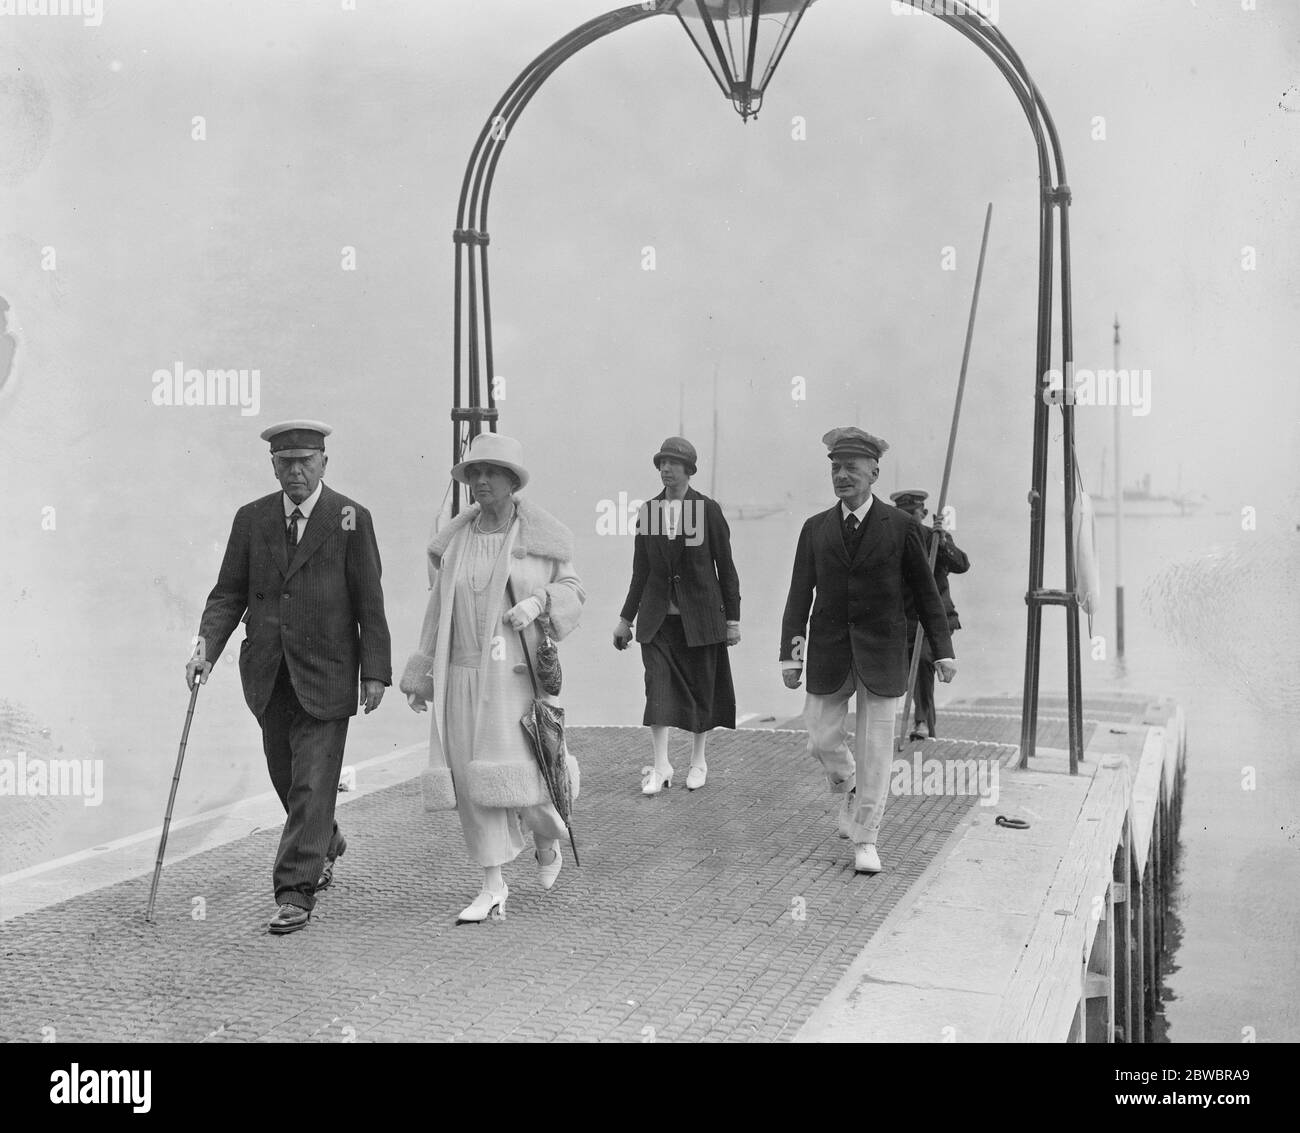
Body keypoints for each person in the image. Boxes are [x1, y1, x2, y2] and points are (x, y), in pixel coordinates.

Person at [187, 420, 392, 934]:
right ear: (272, 465)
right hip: (269, 676)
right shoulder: (252, 518)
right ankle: (327, 838)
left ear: (324, 462)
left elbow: (370, 599)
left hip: (328, 675)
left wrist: (376, 673)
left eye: (305, 461)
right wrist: (206, 648)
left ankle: (295, 892)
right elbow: (228, 593)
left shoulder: (350, 518)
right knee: (288, 779)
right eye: (285, 463)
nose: (295, 471)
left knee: (312, 782)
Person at [400, 433, 585, 924]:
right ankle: (493, 886)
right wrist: (422, 678)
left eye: (491, 473)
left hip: (514, 679)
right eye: (474, 473)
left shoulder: (539, 539)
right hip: (461, 675)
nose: (481, 481)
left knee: (525, 783)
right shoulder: (456, 540)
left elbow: (572, 590)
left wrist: (539, 601)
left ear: (512, 482)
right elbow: (438, 609)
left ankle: (546, 838)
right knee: (472, 784)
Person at [779, 427, 955, 875]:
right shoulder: (815, 528)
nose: (842, 476)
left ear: (874, 473)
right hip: (829, 651)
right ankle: (849, 782)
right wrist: (790, 654)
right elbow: (799, 595)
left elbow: (925, 592)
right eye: (836, 469)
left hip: (883, 652)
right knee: (819, 736)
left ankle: (866, 838)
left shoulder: (901, 527)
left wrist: (944, 649)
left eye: (851, 469)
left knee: (877, 749)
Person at [614, 437, 740, 794]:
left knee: (702, 688)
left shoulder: (707, 510)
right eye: (661, 463)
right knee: (657, 688)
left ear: (688, 469)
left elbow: (726, 568)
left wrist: (733, 620)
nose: (665, 469)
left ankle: (698, 761)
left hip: (701, 619)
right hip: (657, 621)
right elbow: (641, 571)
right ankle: (661, 765)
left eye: (672, 463)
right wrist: (625, 619)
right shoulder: (649, 512)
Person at [890, 489, 970, 741]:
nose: (907, 520)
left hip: (934, 619)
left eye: (911, 515)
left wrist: (942, 538)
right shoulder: (892, 540)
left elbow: (962, 565)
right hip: (904, 619)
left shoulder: (933, 538)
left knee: (924, 660)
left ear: (923, 514)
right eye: (901, 515)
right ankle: (917, 724)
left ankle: (922, 722)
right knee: (902, 670)